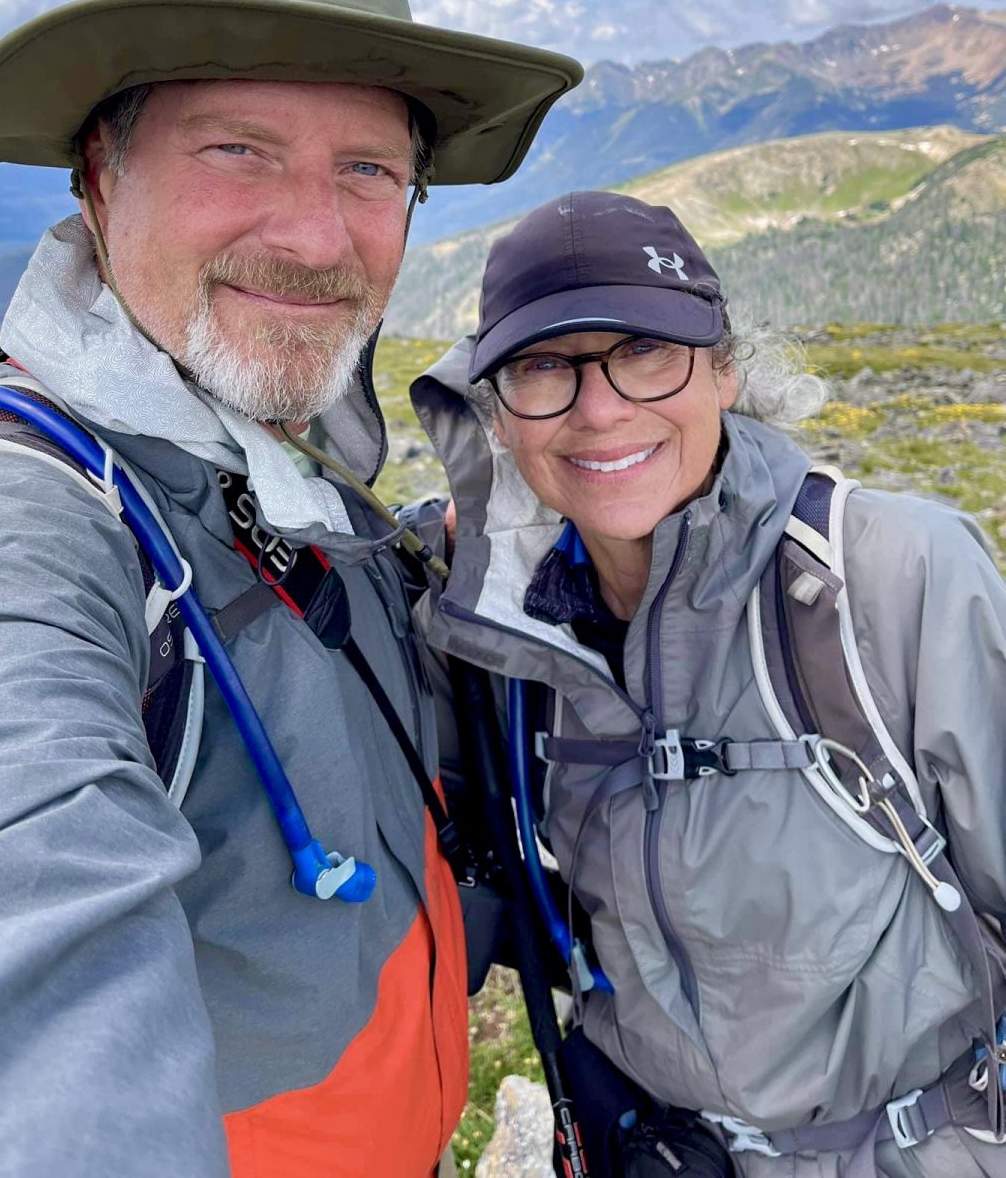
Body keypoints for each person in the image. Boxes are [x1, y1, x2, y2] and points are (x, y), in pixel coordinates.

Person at [0, 0, 582, 1178]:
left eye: (368, 169)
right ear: (98, 172)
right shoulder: (12, 525)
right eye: (238, 150)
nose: (315, 237)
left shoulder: (270, 462)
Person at [408, 190, 1006, 1177]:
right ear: (499, 415)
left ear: (725, 370)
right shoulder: (499, 641)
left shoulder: (894, 579)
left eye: (646, 350)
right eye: (544, 366)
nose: (600, 409)